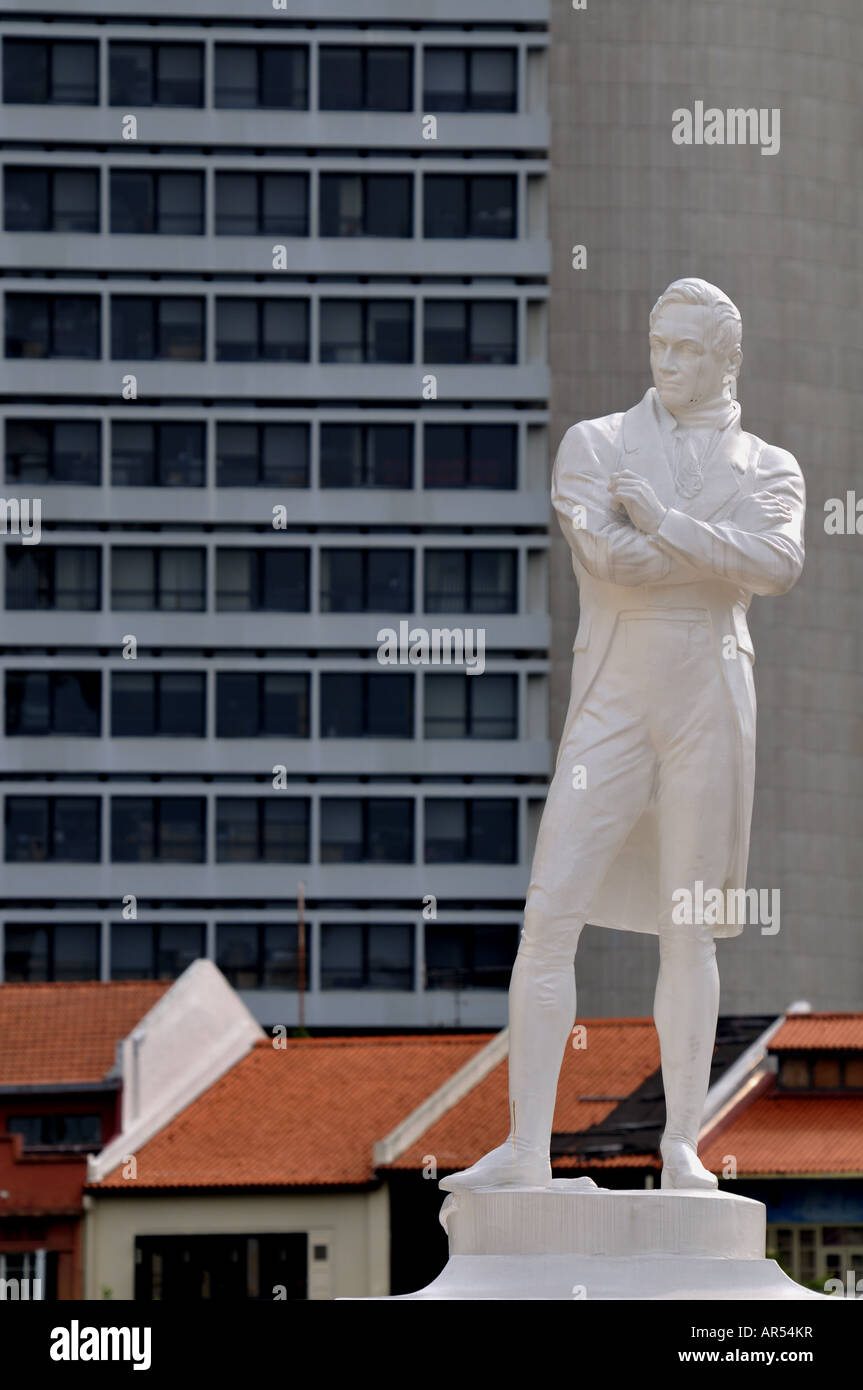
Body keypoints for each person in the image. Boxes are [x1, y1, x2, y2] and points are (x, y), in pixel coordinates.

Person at [441, 278, 805, 1193]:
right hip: (614, 695)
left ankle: (680, 1141)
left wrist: (669, 525)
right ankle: (526, 1148)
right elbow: (605, 557)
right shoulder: (595, 444)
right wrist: (701, 551)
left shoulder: (771, 465)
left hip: (710, 704)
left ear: (728, 358)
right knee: (548, 909)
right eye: (657, 343)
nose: (665, 360)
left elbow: (779, 565)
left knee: (689, 931)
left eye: (686, 348)